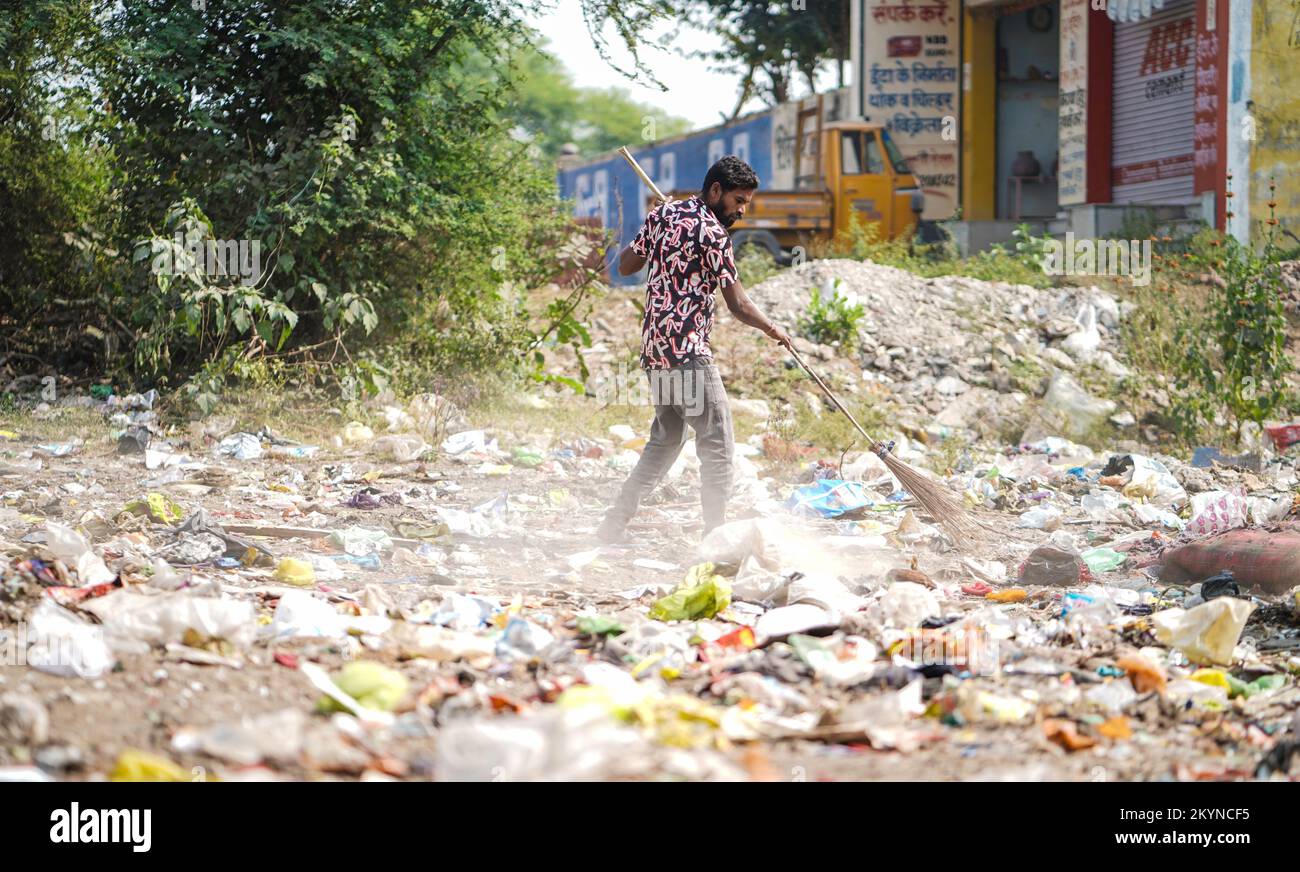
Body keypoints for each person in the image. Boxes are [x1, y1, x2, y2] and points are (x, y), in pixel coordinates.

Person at [596, 155, 793, 544]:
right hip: (687, 354)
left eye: (746, 204)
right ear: (715, 190)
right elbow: (738, 304)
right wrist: (774, 330)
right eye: (738, 200)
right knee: (718, 442)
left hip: (656, 352)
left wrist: (656, 223)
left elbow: (625, 267)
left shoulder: (664, 215)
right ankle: (715, 538)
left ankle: (611, 526)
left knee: (666, 440)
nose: (740, 210)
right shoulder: (713, 233)